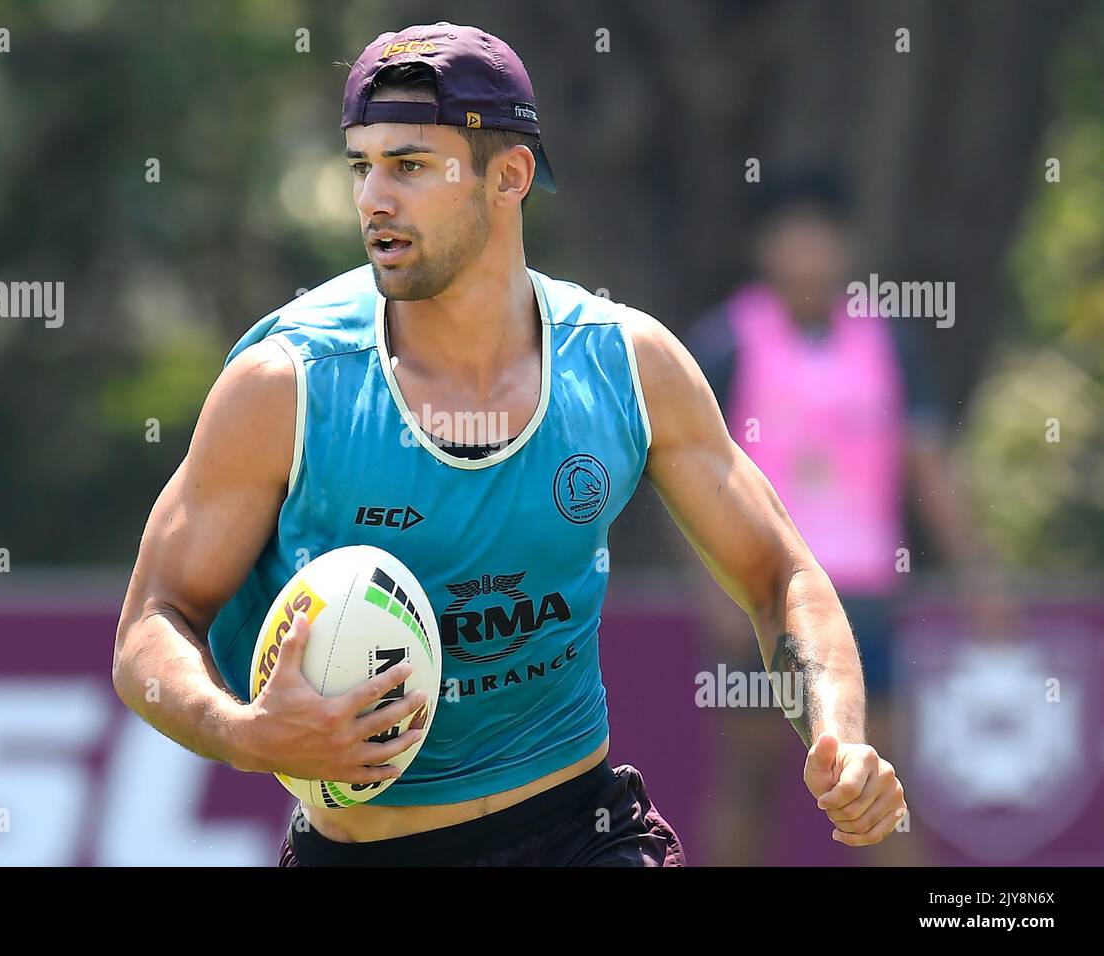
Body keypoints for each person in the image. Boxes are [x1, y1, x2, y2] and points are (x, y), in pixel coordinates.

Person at [112, 22, 906, 866]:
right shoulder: (288, 387)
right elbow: (150, 628)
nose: (373, 198)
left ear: (510, 176)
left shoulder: (626, 365)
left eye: (410, 166)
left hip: (581, 835)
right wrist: (246, 733)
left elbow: (780, 573)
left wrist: (841, 736)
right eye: (362, 165)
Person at [688, 168, 997, 865]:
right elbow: (691, 474)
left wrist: (977, 571)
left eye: (819, 237)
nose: (806, 253)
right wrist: (710, 585)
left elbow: (927, 466)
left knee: (879, 784)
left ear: (843, 247)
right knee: (751, 781)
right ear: (763, 248)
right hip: (760, 595)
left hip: (864, 598)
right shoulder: (725, 342)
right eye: (789, 237)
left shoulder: (887, 343)